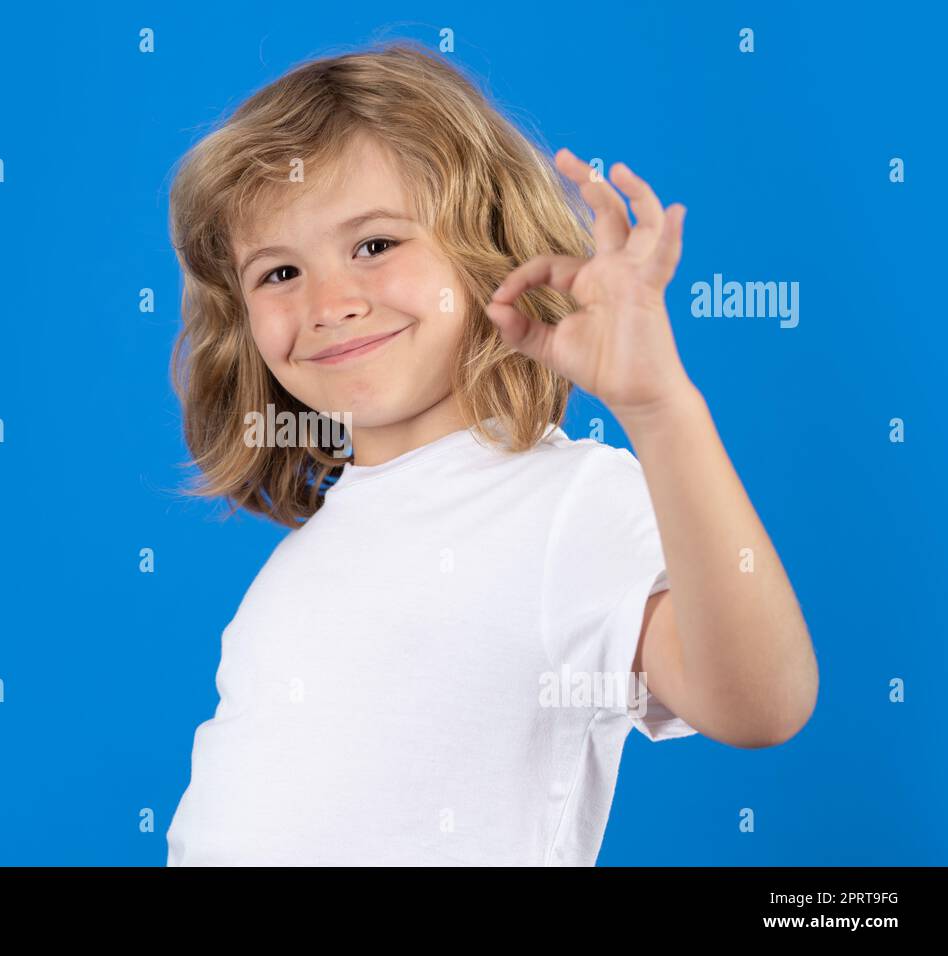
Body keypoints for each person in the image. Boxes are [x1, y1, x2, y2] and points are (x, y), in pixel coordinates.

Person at [162, 40, 817, 866]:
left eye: (374, 246)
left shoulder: (570, 501)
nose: (329, 303)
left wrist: (659, 410)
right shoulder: (293, 569)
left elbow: (760, 703)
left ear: (487, 249)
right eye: (279, 271)